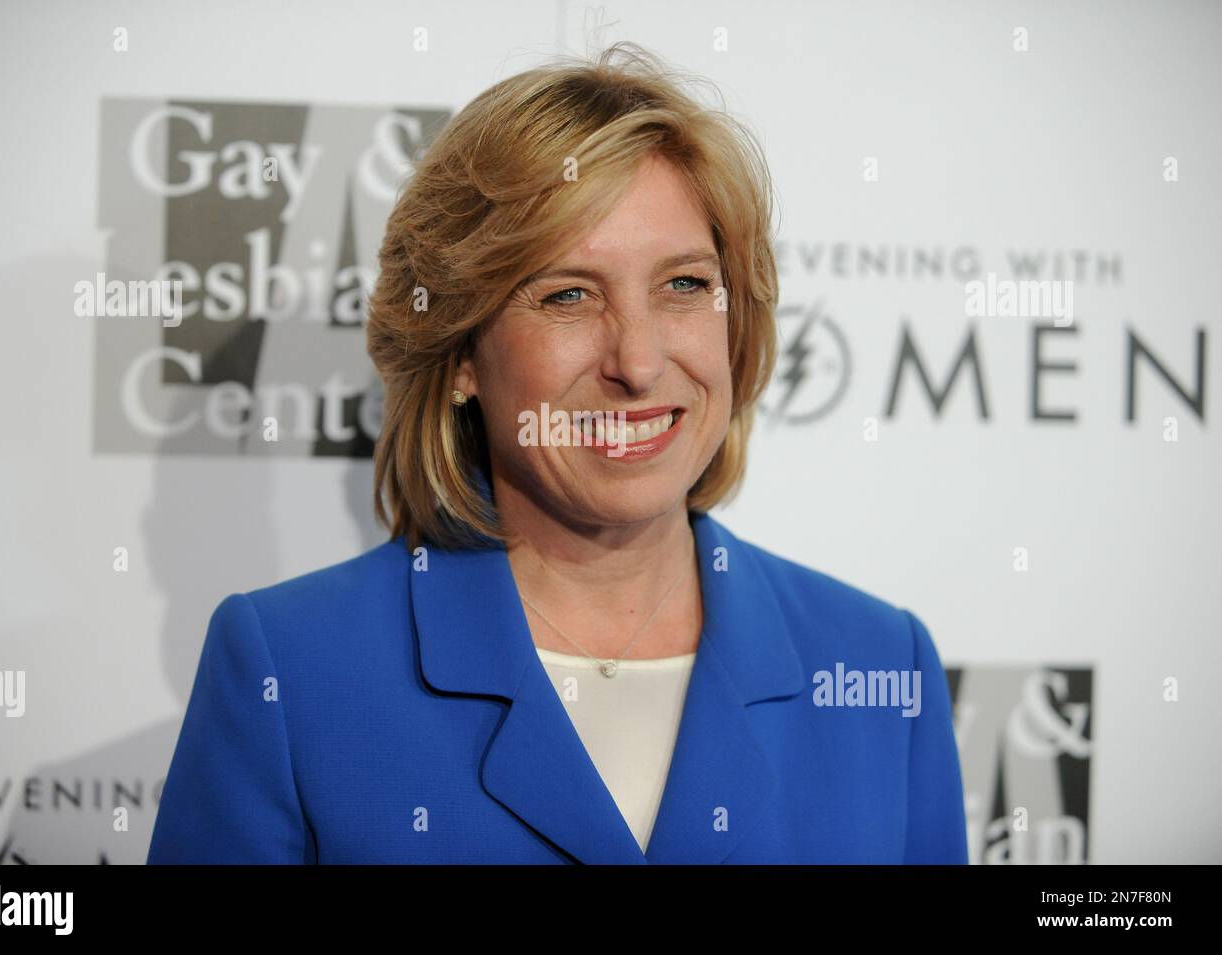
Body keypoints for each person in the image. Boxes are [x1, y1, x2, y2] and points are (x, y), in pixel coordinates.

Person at [147, 42, 968, 864]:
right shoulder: (289, 672)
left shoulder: (878, 666)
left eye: (683, 284)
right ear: (462, 353)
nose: (638, 362)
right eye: (568, 295)